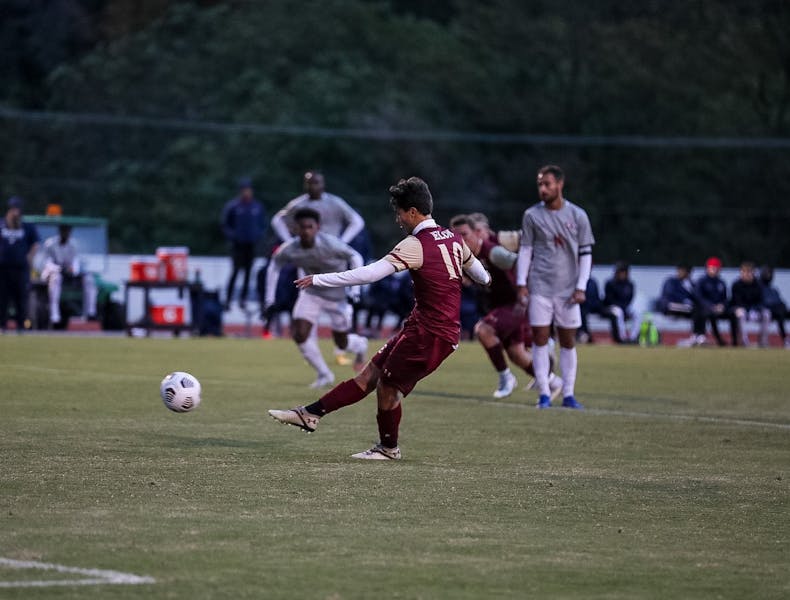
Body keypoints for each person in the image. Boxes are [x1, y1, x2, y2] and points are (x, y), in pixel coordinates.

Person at [268, 177, 491, 460]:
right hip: (421, 326)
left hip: (432, 334)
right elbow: (481, 274)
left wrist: (320, 279)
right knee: (369, 375)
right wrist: (482, 278)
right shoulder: (453, 237)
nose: (397, 219)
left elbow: (370, 274)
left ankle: (388, 449)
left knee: (386, 387)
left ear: (412, 211)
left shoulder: (416, 244)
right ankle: (310, 414)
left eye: (398, 212)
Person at [450, 214, 562, 400]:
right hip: (502, 306)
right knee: (516, 353)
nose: (461, 240)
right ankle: (552, 381)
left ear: (476, 233)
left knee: (483, 330)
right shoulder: (466, 258)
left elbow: (520, 262)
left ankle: (506, 378)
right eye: (457, 236)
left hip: (516, 304)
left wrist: (523, 289)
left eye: (465, 234)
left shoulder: (492, 251)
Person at [515, 165, 595, 409]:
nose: (543, 189)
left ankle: (569, 394)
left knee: (567, 340)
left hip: (568, 290)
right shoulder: (531, 215)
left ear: (560, 184)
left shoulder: (578, 215)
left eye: (547, 184)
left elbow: (586, 253)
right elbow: (526, 250)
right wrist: (521, 283)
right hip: (540, 286)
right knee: (539, 338)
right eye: (540, 184)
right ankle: (545, 394)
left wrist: (581, 286)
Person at [263, 207, 369, 388]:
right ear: (295, 229)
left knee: (341, 343)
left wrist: (355, 290)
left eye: (309, 227)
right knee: (300, 334)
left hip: (337, 296)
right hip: (311, 293)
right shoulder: (290, 248)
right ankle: (324, 374)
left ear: (317, 227)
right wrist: (269, 299)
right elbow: (274, 266)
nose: (305, 231)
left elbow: (355, 257)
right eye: (301, 227)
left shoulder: (331, 244)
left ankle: (360, 345)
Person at [271, 170, 365, 365]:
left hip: (332, 263)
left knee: (341, 330)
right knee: (305, 313)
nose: (313, 187)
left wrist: (343, 241)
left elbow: (357, 221)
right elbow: (277, 220)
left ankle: (349, 344)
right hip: (308, 262)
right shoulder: (299, 205)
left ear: (323, 184)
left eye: (317, 183)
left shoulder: (335, 203)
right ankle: (310, 350)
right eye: (309, 183)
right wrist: (289, 241)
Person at [221, 176, 267, 311]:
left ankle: (243, 299)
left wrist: (258, 236)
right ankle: (228, 300)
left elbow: (263, 224)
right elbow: (225, 225)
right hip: (237, 245)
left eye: (248, 190)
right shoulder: (233, 206)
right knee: (235, 271)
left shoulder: (257, 207)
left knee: (248, 273)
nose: (246, 192)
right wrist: (233, 236)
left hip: (251, 245)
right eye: (244, 190)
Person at [39, 223, 98, 325]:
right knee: (56, 279)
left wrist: (73, 269)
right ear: (60, 232)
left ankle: (90, 312)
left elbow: (75, 260)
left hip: (68, 274)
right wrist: (58, 268)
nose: (66, 234)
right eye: (64, 231)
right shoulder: (50, 244)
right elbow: (47, 262)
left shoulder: (72, 244)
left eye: (68, 231)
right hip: (54, 272)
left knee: (89, 279)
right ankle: (55, 315)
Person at [0, 197, 40, 333]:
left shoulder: (27, 227)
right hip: (3, 268)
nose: (16, 213)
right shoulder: (2, 224)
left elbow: (35, 244)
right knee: (2, 297)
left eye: (18, 209)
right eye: (13, 209)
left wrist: (30, 257)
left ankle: (21, 327)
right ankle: (2, 326)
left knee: (21, 297)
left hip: (21, 268)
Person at [656, 264, 705, 346]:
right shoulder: (671, 281)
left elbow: (696, 297)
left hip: (683, 308)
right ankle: (695, 336)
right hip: (670, 306)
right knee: (694, 309)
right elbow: (671, 295)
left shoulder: (689, 283)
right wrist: (684, 300)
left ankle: (699, 336)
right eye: (681, 271)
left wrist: (690, 287)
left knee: (701, 310)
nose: (682, 273)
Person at [729, 261, 770, 347]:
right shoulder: (736, 285)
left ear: (753, 273)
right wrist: (747, 310)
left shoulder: (758, 285)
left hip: (755, 311)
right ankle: (744, 341)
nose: (746, 274)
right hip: (742, 311)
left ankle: (763, 342)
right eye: (744, 272)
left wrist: (754, 310)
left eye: (749, 272)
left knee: (766, 314)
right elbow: (736, 302)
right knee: (740, 313)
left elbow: (761, 301)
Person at [601, 261, 642, 344]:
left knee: (637, 313)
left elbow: (630, 298)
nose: (621, 274)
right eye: (620, 272)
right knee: (618, 312)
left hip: (625, 307)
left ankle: (633, 337)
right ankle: (622, 337)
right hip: (611, 307)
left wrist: (624, 307)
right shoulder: (610, 283)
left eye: (623, 272)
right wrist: (621, 306)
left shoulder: (630, 284)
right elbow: (609, 299)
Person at [694, 256, 729, 346]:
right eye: (712, 268)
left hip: (718, 309)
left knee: (733, 314)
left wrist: (722, 306)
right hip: (705, 308)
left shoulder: (721, 283)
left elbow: (725, 299)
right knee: (701, 311)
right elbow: (699, 297)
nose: (715, 270)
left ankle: (735, 340)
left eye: (717, 268)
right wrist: (711, 306)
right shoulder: (701, 281)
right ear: (707, 268)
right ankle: (700, 336)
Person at [759, 265, 788, 348]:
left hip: (778, 311)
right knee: (773, 314)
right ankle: (765, 341)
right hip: (766, 311)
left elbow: (780, 301)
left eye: (770, 274)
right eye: (767, 273)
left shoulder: (773, 289)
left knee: (781, 312)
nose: (769, 275)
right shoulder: (758, 287)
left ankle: (785, 339)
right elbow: (762, 302)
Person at [577, 276, 602, 344]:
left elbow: (596, 297)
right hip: (582, 306)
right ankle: (585, 334)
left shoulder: (593, 282)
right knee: (582, 312)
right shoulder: (576, 281)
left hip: (592, 306)